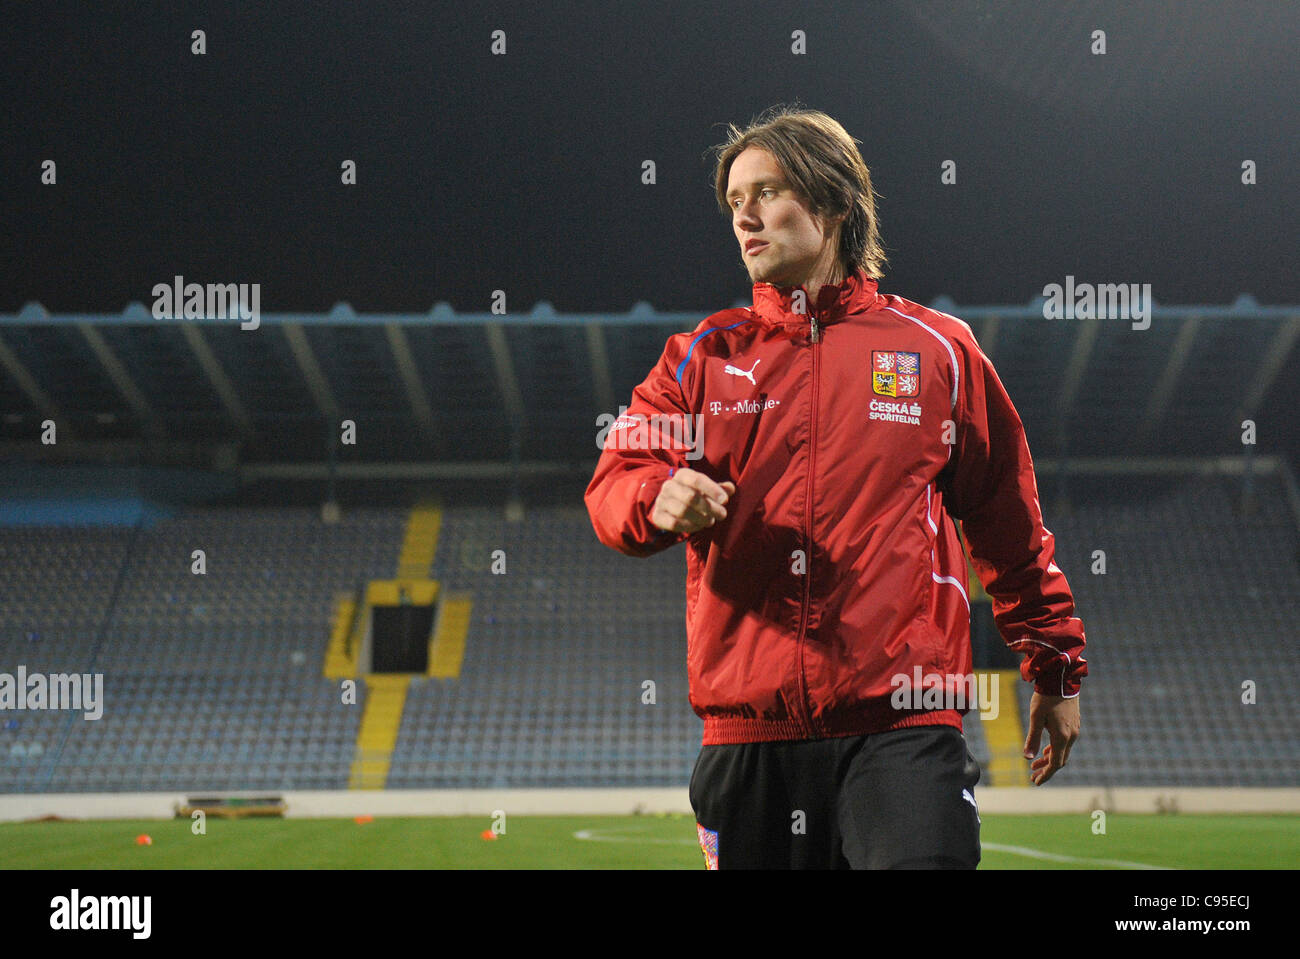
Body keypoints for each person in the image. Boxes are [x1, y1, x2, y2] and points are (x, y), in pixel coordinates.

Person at [584, 106, 1087, 869]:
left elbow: (1007, 522)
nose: (745, 217)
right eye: (734, 202)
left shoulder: (938, 352)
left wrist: (1052, 664)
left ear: (835, 202)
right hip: (749, 736)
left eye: (767, 192)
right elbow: (615, 478)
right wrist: (654, 498)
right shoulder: (700, 358)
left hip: (904, 724)